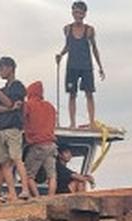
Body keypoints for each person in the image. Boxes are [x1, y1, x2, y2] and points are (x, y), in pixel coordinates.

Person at [55, 1, 106, 129]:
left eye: (80, 12)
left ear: (84, 14)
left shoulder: (89, 30)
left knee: (89, 93)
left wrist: (100, 67)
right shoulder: (67, 29)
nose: (77, 15)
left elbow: (94, 48)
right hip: (72, 66)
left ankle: (92, 121)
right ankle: (72, 123)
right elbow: (68, 46)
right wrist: (61, 55)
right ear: (72, 13)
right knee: (72, 94)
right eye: (75, 12)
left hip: (86, 66)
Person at [0, 56, 29, 201]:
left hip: (13, 127)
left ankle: (24, 190)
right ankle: (12, 192)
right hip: (0, 128)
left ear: (10, 68)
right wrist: (9, 108)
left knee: (17, 159)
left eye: (2, 68)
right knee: (4, 163)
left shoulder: (18, 86)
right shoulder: (4, 89)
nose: (0, 71)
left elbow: (9, 102)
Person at [22, 81, 59, 197]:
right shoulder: (50, 107)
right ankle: (51, 197)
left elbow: (22, 118)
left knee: (28, 175)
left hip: (37, 145)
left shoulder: (28, 105)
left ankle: (37, 197)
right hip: (52, 145)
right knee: (52, 175)